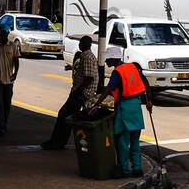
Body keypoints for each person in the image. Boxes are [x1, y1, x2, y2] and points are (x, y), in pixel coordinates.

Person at [98, 46, 150, 178]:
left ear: (113, 58)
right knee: (135, 141)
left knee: (123, 142)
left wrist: (96, 104)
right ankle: (137, 169)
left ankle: (124, 170)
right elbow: (146, 83)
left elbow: (109, 89)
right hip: (136, 106)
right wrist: (149, 101)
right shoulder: (133, 67)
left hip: (125, 107)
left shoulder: (118, 72)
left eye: (108, 60)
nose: (107, 62)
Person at [42, 35, 97, 150]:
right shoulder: (86, 56)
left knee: (64, 114)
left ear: (85, 44)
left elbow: (89, 77)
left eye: (81, 43)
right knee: (66, 116)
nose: (79, 45)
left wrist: (78, 91)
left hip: (82, 94)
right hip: (80, 92)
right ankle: (58, 141)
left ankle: (57, 142)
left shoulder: (87, 57)